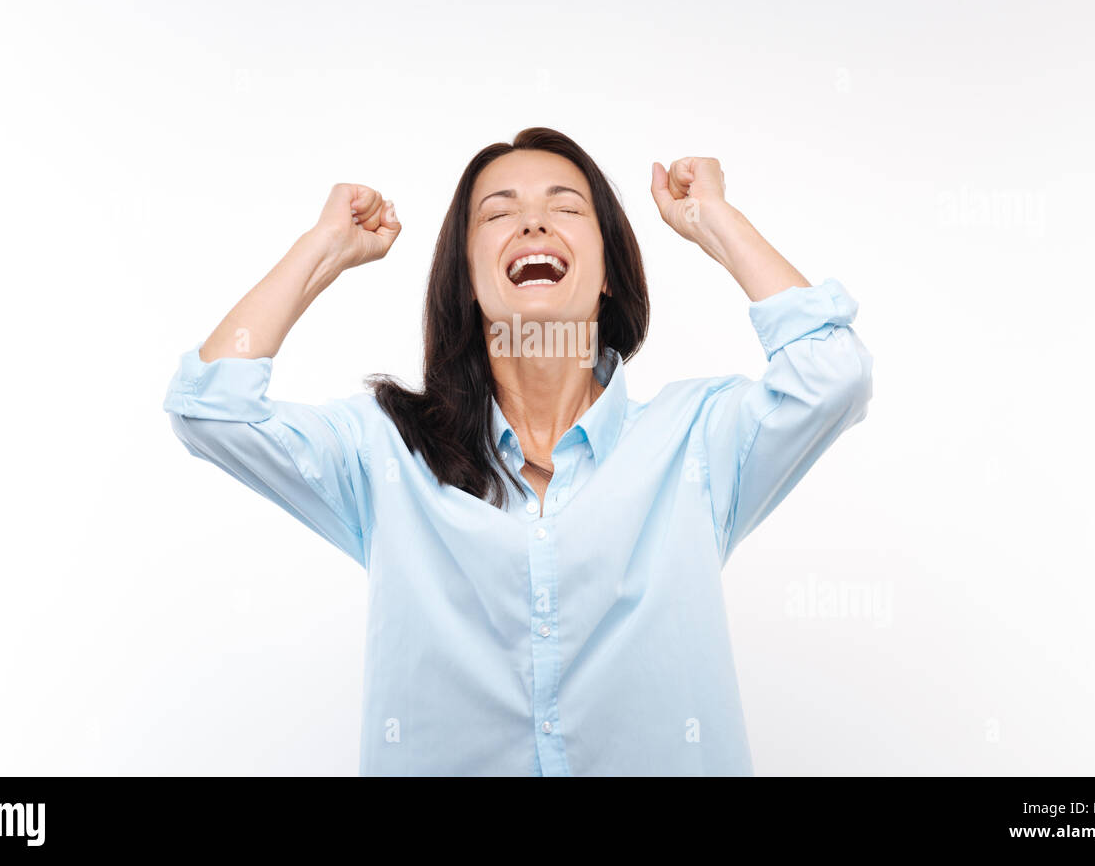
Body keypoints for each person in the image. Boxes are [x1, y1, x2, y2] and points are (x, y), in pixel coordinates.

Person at [162, 126, 874, 775]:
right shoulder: (384, 453)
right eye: (497, 213)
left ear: (607, 273)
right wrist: (322, 249)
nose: (532, 219)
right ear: (468, 282)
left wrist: (714, 221)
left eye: (566, 206)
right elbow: (210, 411)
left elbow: (831, 373)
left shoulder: (695, 443)